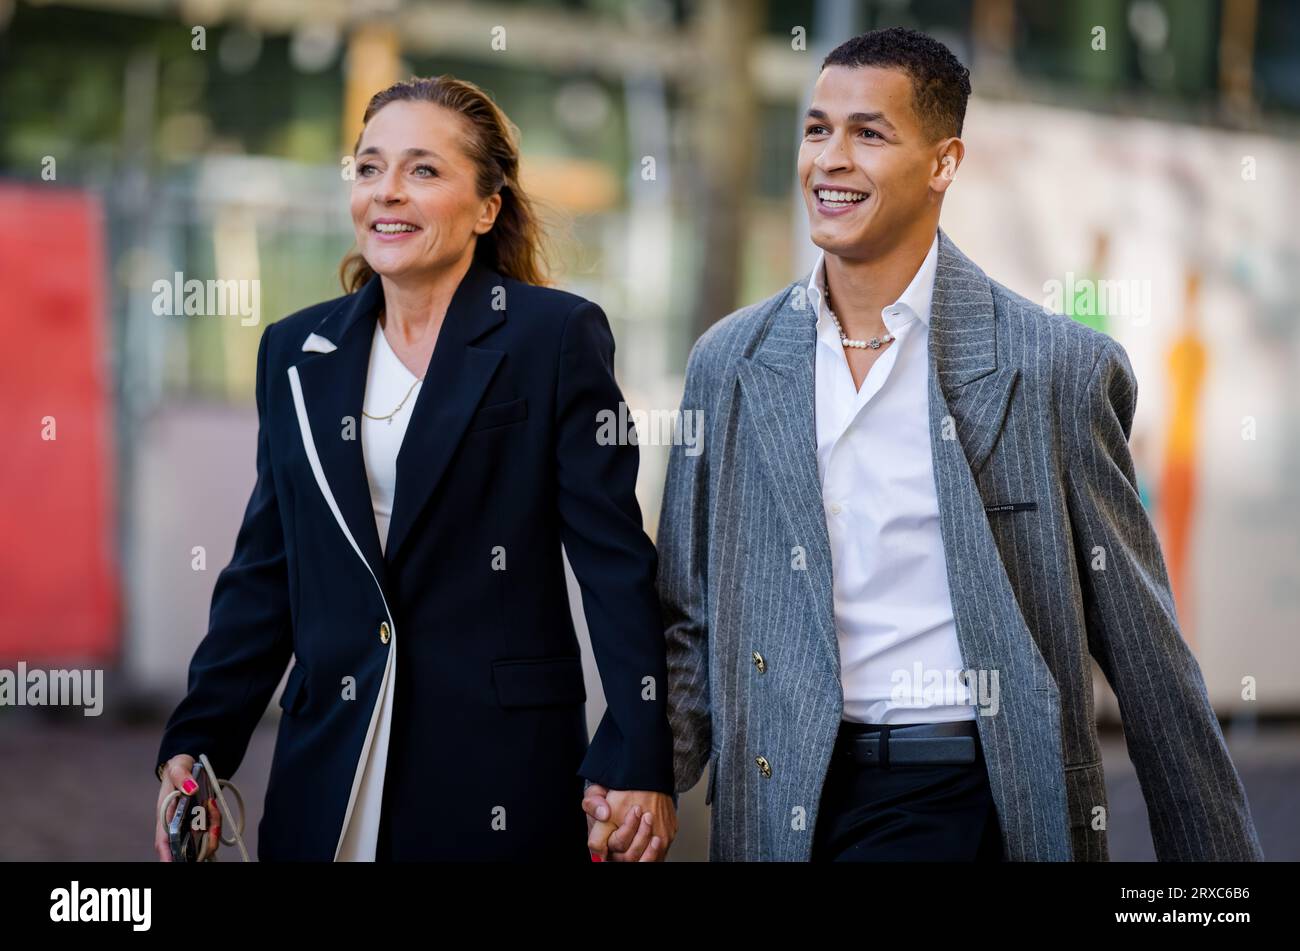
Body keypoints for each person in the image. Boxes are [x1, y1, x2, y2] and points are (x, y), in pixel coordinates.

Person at [586, 27, 1263, 861]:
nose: (830, 158)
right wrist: (647, 775)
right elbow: (689, 617)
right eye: (816, 129)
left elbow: (1147, 657)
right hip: (778, 802)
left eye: (869, 133)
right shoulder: (729, 363)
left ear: (944, 162)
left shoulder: (1054, 368)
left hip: (970, 800)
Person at [154, 75, 676, 861]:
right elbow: (269, 568)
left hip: (498, 767)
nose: (386, 193)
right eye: (369, 168)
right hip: (327, 756)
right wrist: (200, 739)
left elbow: (614, 565)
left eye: (424, 171)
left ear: (488, 206)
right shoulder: (297, 353)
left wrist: (640, 753)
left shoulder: (552, 338)